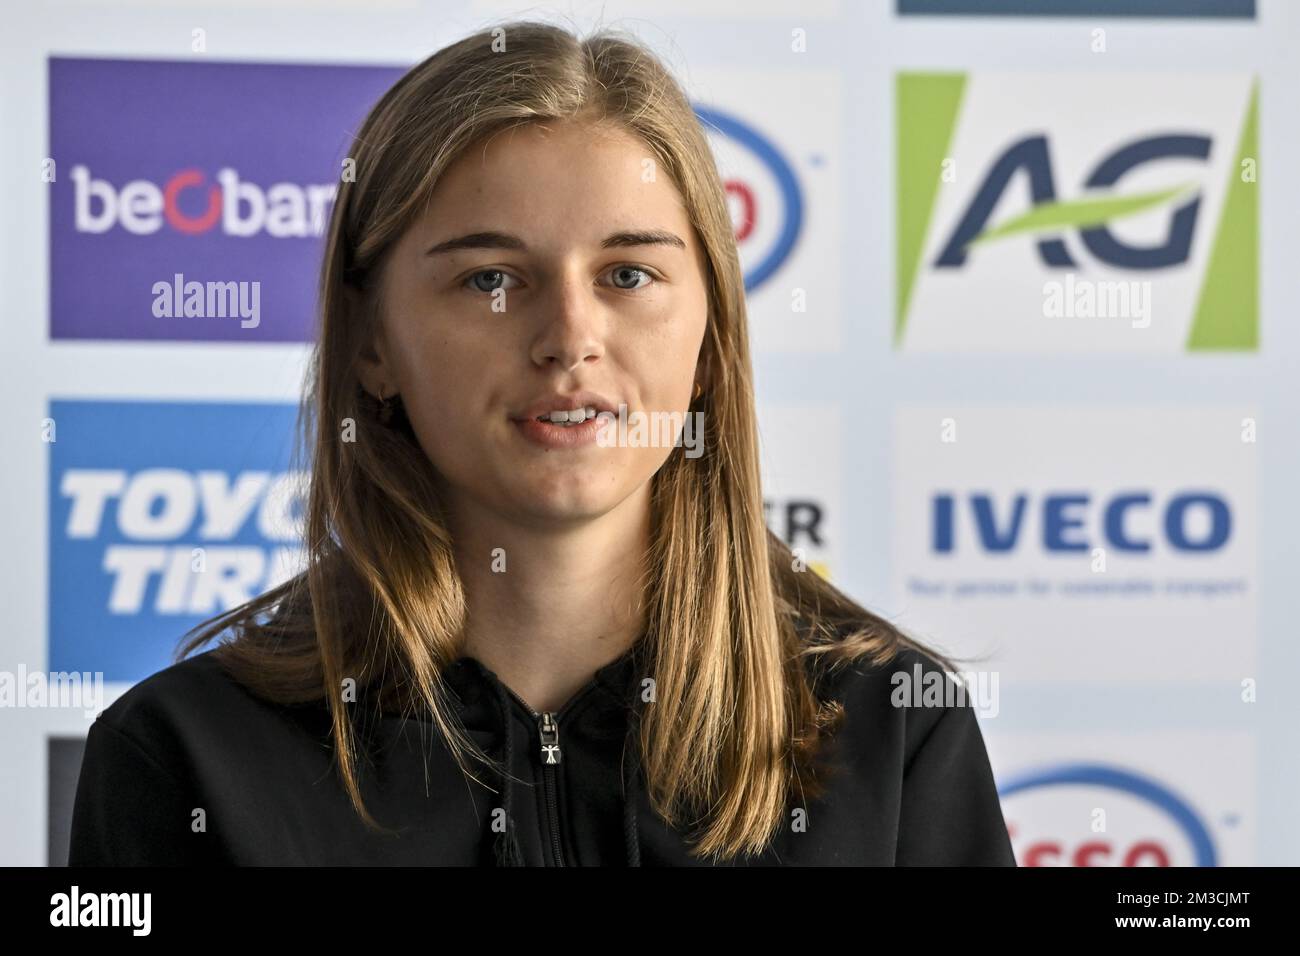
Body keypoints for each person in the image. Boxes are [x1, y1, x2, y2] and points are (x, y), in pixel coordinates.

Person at [68, 19, 1015, 867]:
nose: (569, 335)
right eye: (490, 278)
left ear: (712, 342)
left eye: (629, 273)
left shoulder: (894, 731)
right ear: (370, 345)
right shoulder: (185, 758)